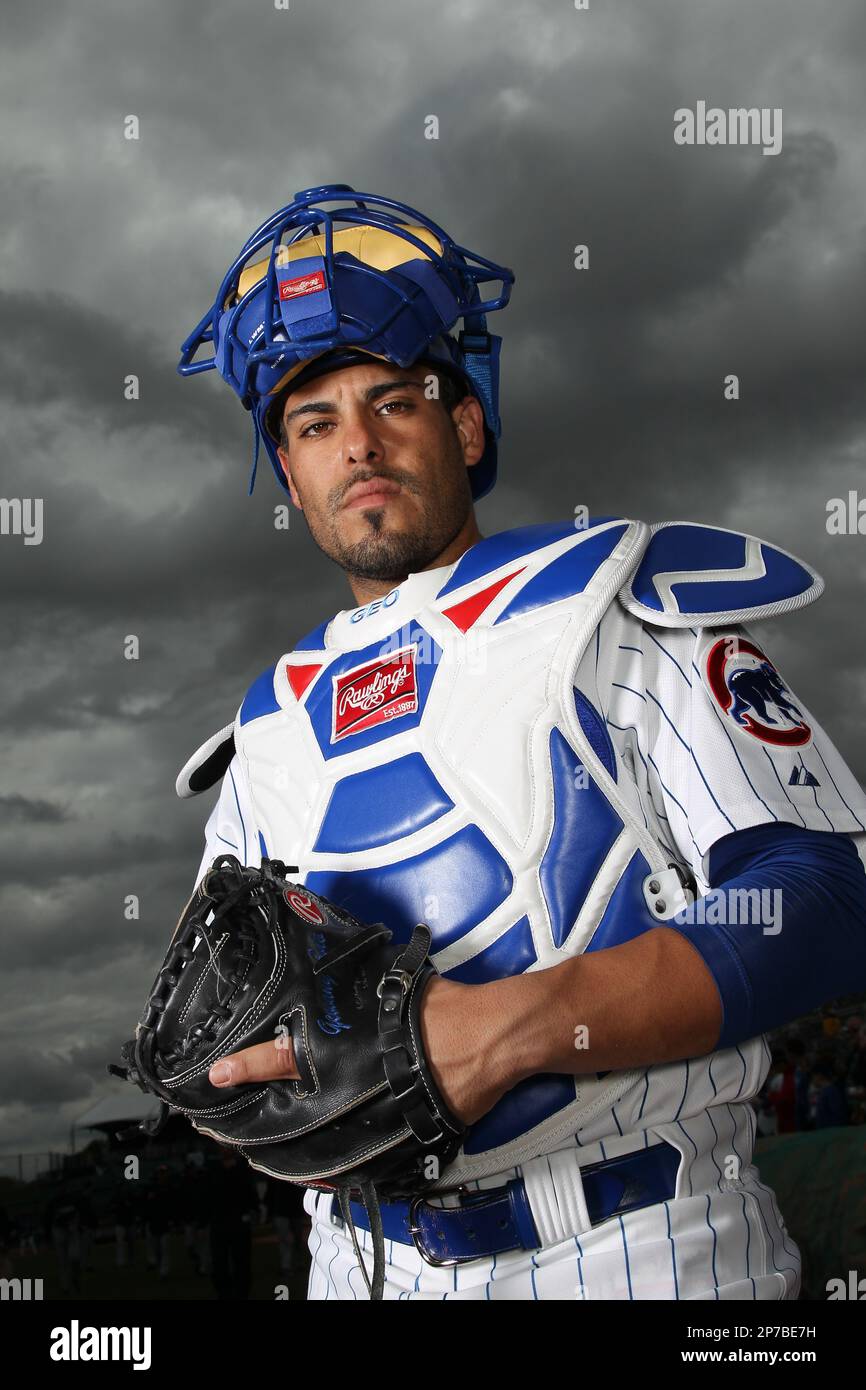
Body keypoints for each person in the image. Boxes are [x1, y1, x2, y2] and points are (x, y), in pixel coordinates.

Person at [172, 186, 866, 1300]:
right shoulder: (266, 731)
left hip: (642, 1244)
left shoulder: (616, 603)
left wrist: (502, 1030)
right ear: (291, 478)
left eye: (393, 400)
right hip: (359, 1266)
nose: (356, 444)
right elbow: (222, 1035)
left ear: (464, 423)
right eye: (312, 425)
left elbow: (822, 897)